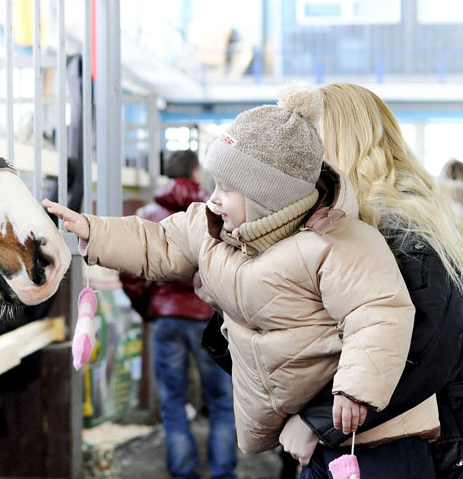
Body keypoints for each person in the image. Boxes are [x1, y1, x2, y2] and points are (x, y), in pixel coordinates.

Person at [44, 84, 440, 476]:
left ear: (266, 198)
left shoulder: (337, 243)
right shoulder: (218, 231)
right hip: (298, 427)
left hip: (361, 436)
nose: (212, 199)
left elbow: (377, 313)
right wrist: (94, 231)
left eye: (227, 189)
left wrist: (353, 391)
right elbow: (159, 240)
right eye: (213, 184)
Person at [273, 83, 463, 478]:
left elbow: (424, 348)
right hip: (371, 438)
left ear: (337, 139)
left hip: (394, 444)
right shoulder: (358, 221)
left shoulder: (400, 228)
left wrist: (317, 422)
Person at [119, 150, 237, 479]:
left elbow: (130, 270)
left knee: (172, 399)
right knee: (221, 401)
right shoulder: (214, 213)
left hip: (166, 319)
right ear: (197, 174)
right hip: (209, 320)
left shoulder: (148, 214)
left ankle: (182, 471)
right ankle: (223, 472)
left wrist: (149, 309)